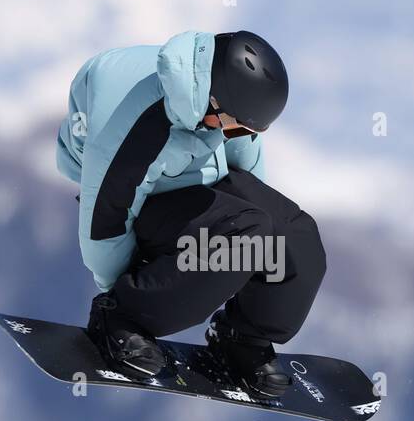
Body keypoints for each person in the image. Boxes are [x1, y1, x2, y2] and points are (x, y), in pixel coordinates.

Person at [54, 30, 326, 397]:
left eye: (252, 130)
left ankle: (240, 338)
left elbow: (248, 176)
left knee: (294, 235)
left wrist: (250, 267)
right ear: (214, 102)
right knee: (243, 236)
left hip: (188, 169)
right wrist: (121, 292)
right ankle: (119, 317)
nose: (243, 134)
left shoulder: (228, 105)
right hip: (128, 188)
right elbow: (105, 210)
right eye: (241, 126)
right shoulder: (142, 121)